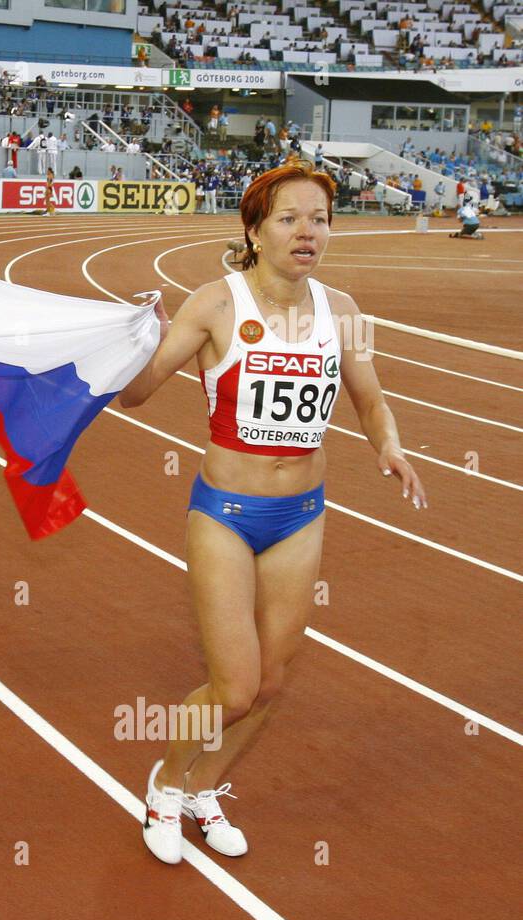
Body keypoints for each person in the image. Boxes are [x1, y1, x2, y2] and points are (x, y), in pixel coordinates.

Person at [118, 160, 425, 866]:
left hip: (302, 516)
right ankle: (165, 785)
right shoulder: (214, 304)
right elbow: (137, 395)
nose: (307, 231)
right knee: (235, 683)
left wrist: (389, 445)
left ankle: (205, 789)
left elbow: (370, 397)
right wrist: (138, 339)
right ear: (255, 231)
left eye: (319, 218)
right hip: (226, 511)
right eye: (289, 218)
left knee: (274, 683)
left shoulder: (344, 312)